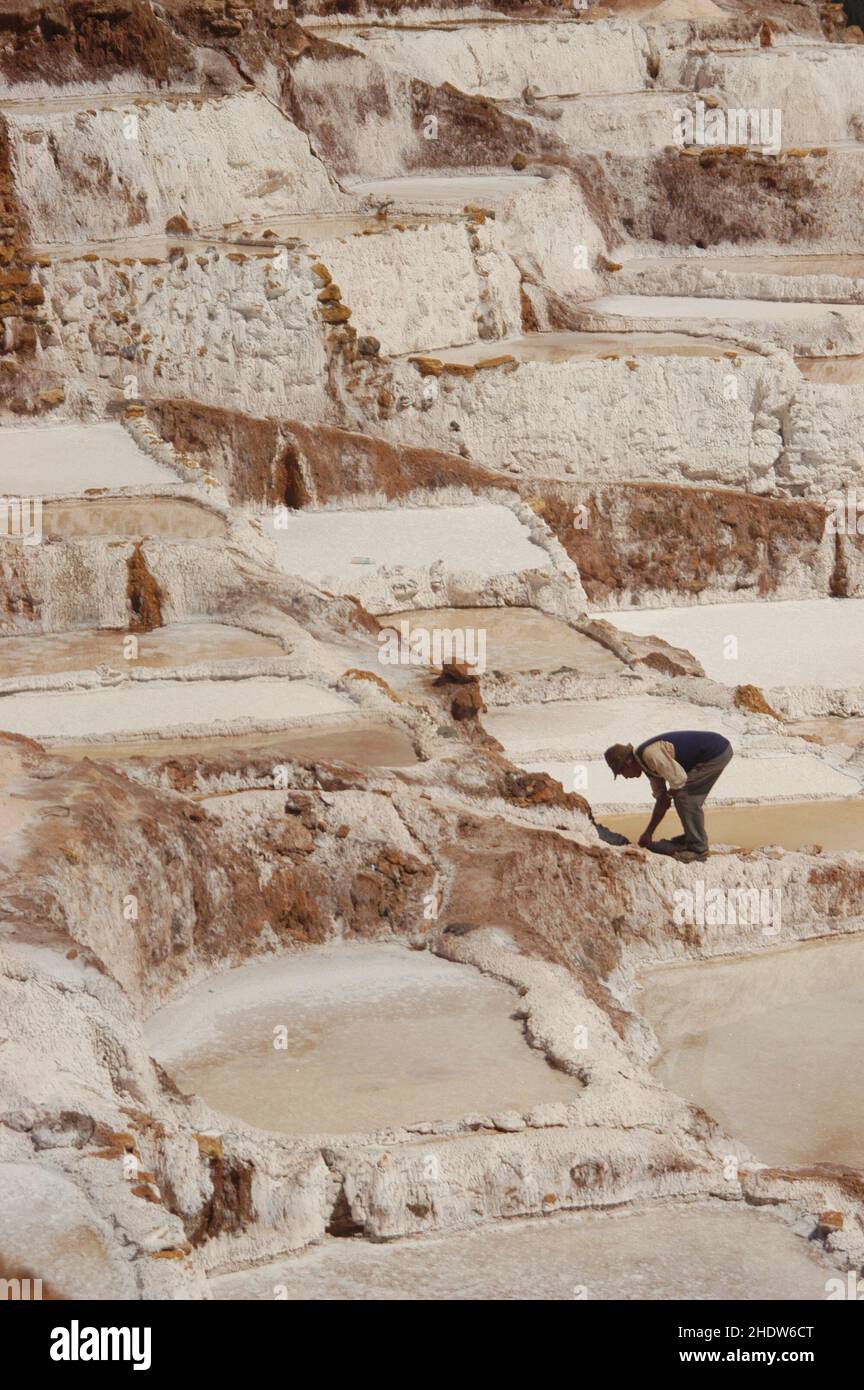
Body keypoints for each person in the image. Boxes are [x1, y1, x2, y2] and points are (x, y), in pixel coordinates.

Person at [603, 731, 733, 862]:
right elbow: (662, 801)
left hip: (715, 751)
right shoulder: (648, 767)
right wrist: (649, 832)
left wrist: (670, 794)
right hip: (711, 752)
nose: (625, 777)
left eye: (621, 773)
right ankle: (691, 838)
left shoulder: (649, 755)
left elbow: (679, 780)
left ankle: (699, 849)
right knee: (682, 795)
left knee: (684, 796)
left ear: (627, 764)